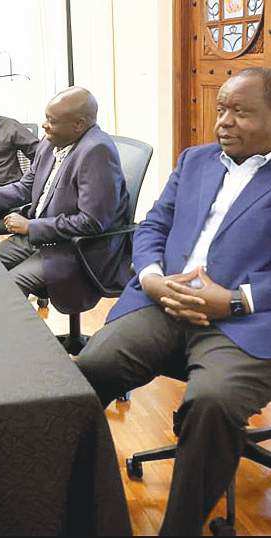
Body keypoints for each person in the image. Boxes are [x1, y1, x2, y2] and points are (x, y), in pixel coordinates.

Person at [75, 68, 271, 535]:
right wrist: (154, 278)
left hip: (245, 323)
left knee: (213, 402)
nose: (223, 121)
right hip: (165, 302)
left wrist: (237, 300)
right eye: (221, 108)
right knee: (89, 368)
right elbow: (152, 227)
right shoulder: (196, 161)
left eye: (240, 112)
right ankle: (80, 506)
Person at [0, 87, 130, 314]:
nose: (44, 125)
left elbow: (92, 222)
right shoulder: (51, 143)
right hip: (39, 238)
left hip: (76, 249)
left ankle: (19, 347)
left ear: (78, 124)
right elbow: (24, 188)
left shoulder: (96, 151)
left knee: (9, 286)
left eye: (52, 120)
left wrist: (31, 226)